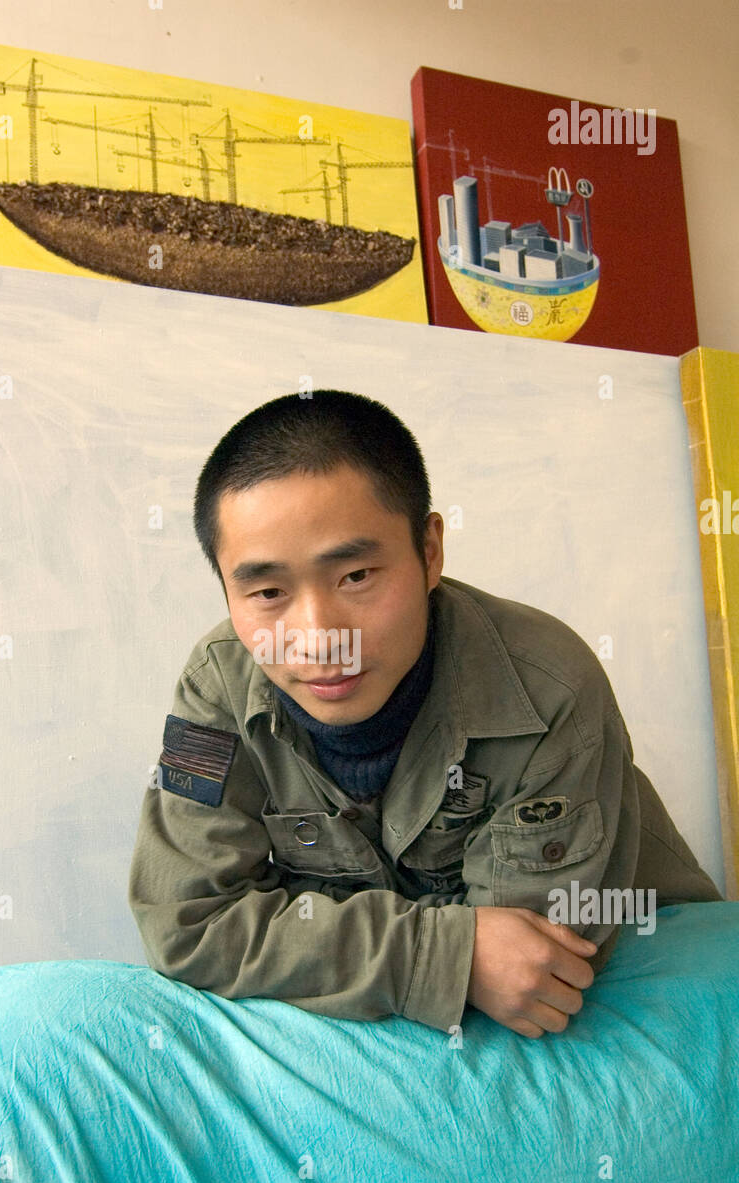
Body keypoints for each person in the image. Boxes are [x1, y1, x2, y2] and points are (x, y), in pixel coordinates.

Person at [128, 389, 722, 1039]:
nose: (320, 637)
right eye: (267, 591)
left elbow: (530, 965)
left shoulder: (550, 686)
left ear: (430, 550)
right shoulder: (210, 691)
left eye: (355, 576)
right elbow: (186, 923)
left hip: (635, 974)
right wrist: (445, 956)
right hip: (410, 1016)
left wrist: (339, 951)